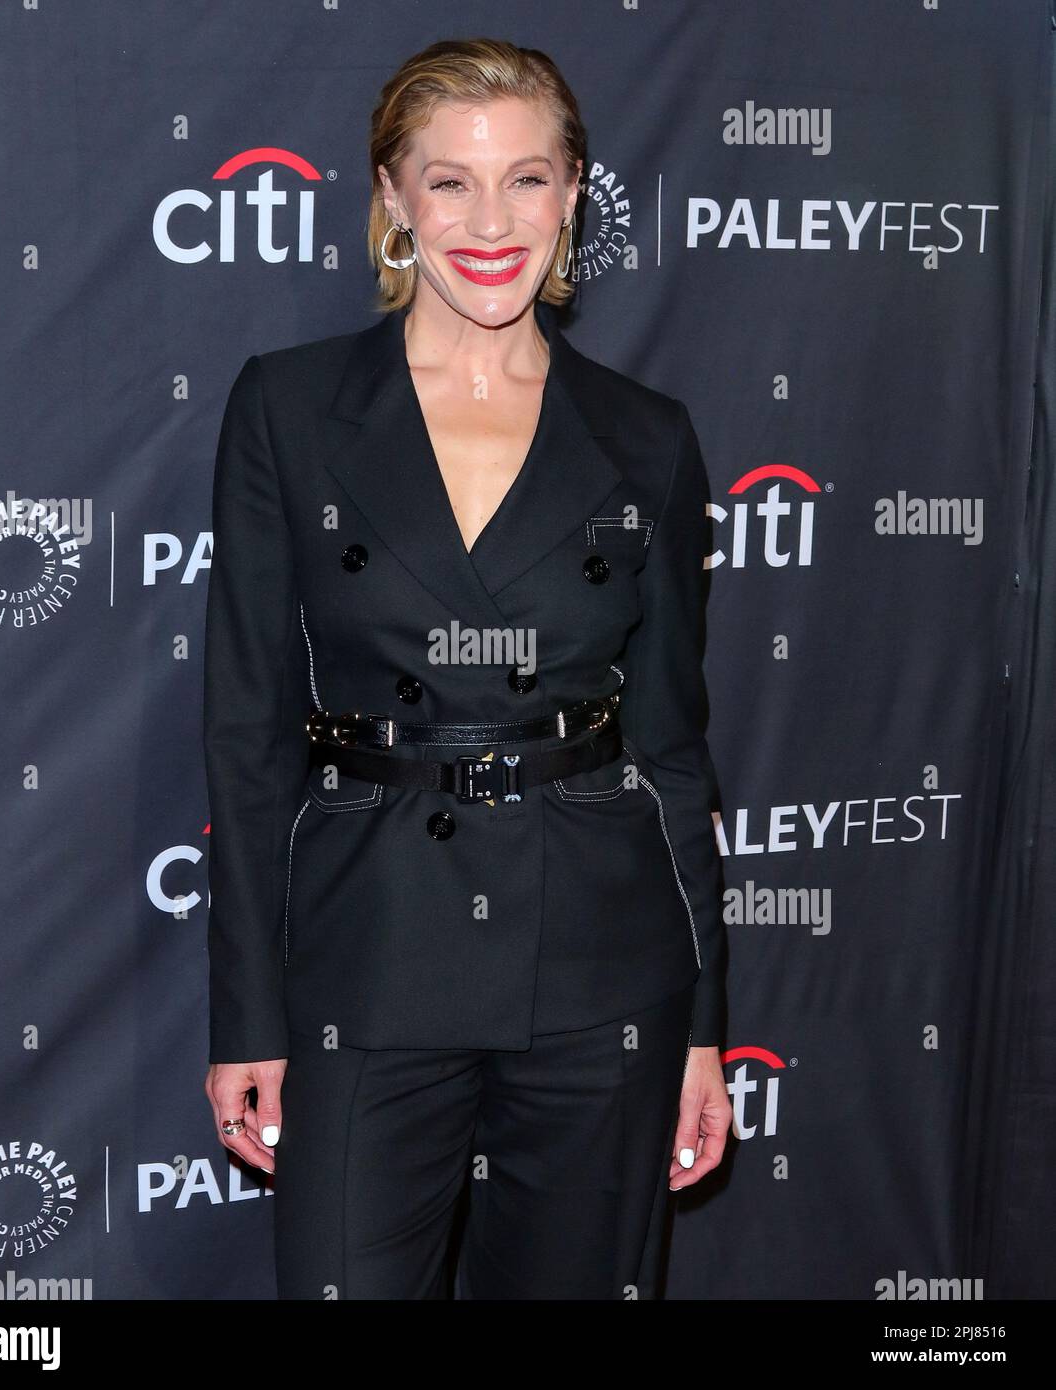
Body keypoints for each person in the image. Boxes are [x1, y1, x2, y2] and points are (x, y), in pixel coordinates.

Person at [202, 36, 732, 1300]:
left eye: (528, 180)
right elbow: (246, 729)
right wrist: (249, 1019)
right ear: (392, 198)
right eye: (449, 183)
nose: (490, 223)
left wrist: (703, 1029)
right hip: (367, 955)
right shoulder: (286, 409)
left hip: (602, 970)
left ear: (572, 199)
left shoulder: (647, 439)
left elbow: (670, 752)